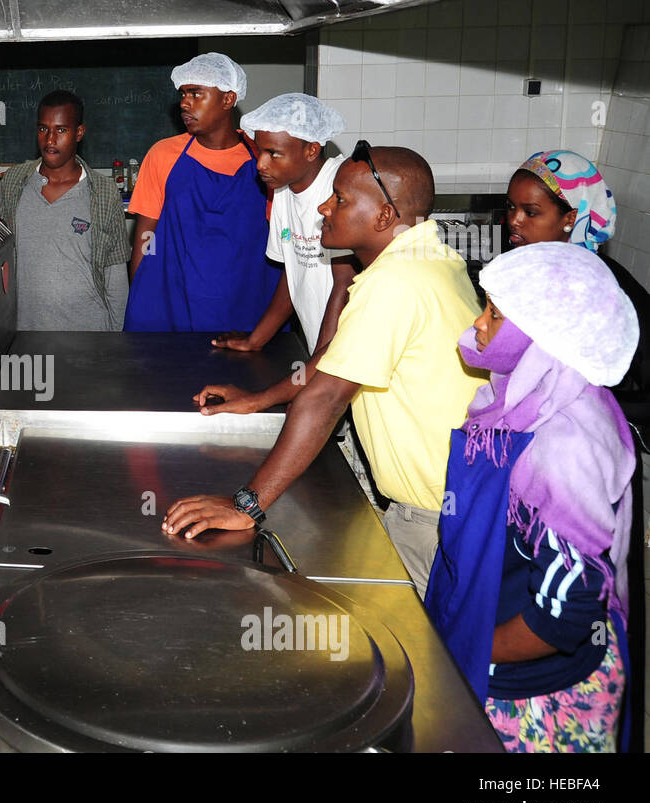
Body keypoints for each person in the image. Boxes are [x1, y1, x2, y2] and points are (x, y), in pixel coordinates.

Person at [162, 145, 487, 598]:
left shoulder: (394, 283)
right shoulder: (428, 259)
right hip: (454, 497)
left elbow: (326, 397)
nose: (323, 207)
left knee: (430, 656)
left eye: (340, 199)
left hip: (433, 514)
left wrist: (246, 506)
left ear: (383, 216)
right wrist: (260, 399)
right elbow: (337, 355)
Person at [426, 242, 635, 752]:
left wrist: (463, 650)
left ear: (541, 335)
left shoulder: (564, 445)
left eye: (494, 314)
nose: (477, 325)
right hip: (496, 633)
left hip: (536, 687)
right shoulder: (526, 399)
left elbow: (564, 615)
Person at [193, 92, 357, 414]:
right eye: (259, 151)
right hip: (322, 355)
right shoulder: (282, 190)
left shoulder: (339, 188)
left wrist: (316, 365)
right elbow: (292, 271)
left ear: (312, 150)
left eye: (273, 154)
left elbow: (344, 286)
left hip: (341, 355)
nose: (260, 164)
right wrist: (257, 339)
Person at [124, 52, 280, 332]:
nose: (185, 103)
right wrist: (142, 295)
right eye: (183, 94)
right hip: (172, 305)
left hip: (246, 307)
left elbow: (281, 239)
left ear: (228, 99)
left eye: (196, 94)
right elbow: (146, 234)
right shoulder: (163, 154)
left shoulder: (262, 158)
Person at [505, 149, 648, 394]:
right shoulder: (531, 272)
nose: (514, 220)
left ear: (571, 218)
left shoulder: (597, 287)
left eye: (530, 212)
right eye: (510, 207)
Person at [0, 90, 131, 331]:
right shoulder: (13, 183)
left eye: (61, 130)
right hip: (26, 334)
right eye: (43, 129)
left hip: (89, 335)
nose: (50, 140)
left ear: (79, 132)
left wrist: (116, 339)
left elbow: (115, 274)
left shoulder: (103, 192)